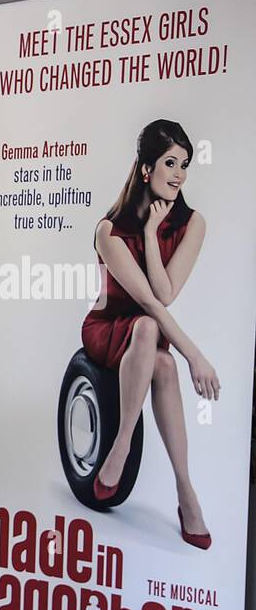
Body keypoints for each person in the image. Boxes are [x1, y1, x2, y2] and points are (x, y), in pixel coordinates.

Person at [81, 119, 215, 548]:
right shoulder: (109, 230)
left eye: (185, 164)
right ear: (145, 169)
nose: (178, 174)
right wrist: (195, 354)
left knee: (163, 361)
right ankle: (124, 444)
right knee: (149, 327)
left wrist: (154, 238)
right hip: (110, 326)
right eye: (170, 163)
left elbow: (166, 293)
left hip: (150, 333)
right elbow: (148, 303)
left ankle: (183, 487)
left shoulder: (192, 224)